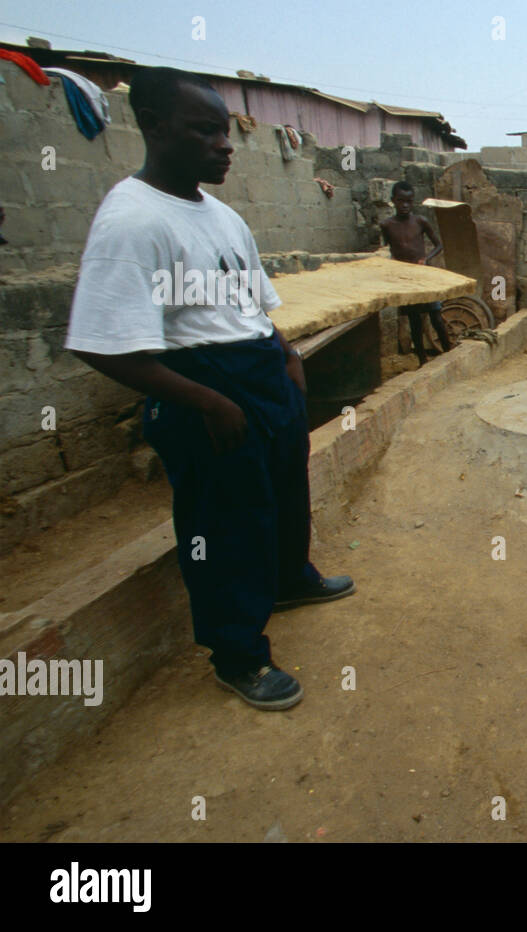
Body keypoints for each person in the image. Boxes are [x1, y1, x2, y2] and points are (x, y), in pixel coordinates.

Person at [64, 67, 355, 712]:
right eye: (205, 131)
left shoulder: (222, 216)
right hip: (200, 385)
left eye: (225, 131)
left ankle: (289, 580)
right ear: (153, 126)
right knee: (224, 522)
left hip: (261, 370)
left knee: (284, 488)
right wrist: (207, 401)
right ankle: (237, 654)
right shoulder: (131, 220)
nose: (225, 145)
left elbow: (250, 303)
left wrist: (286, 353)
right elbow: (97, 341)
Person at [380, 180, 451, 365]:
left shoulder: (420, 221)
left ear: (413, 201)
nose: (405, 205)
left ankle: (449, 353)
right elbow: (385, 249)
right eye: (400, 201)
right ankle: (422, 359)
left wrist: (426, 258)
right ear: (393, 200)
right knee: (414, 320)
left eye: (409, 201)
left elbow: (439, 245)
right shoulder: (387, 225)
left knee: (436, 316)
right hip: (406, 279)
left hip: (423, 276)